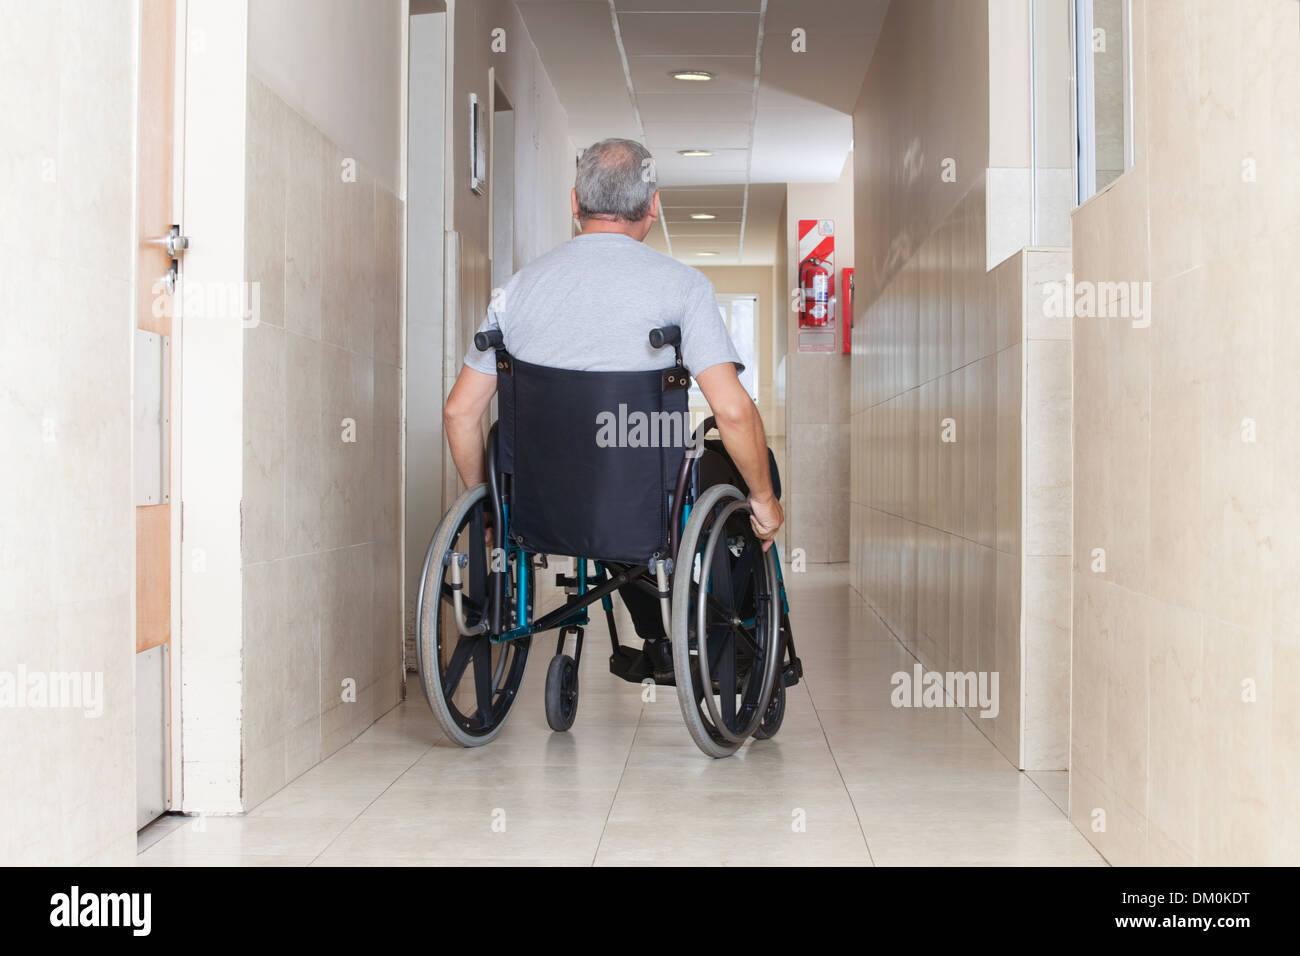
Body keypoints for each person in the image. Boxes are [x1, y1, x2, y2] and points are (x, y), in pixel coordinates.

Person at [442, 137, 783, 572]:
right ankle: (710, 632)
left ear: (575, 203)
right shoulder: (683, 287)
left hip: (538, 509)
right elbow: (733, 412)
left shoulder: (514, 291)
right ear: (653, 205)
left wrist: (488, 508)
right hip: (644, 506)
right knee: (754, 465)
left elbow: (459, 413)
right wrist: (764, 499)